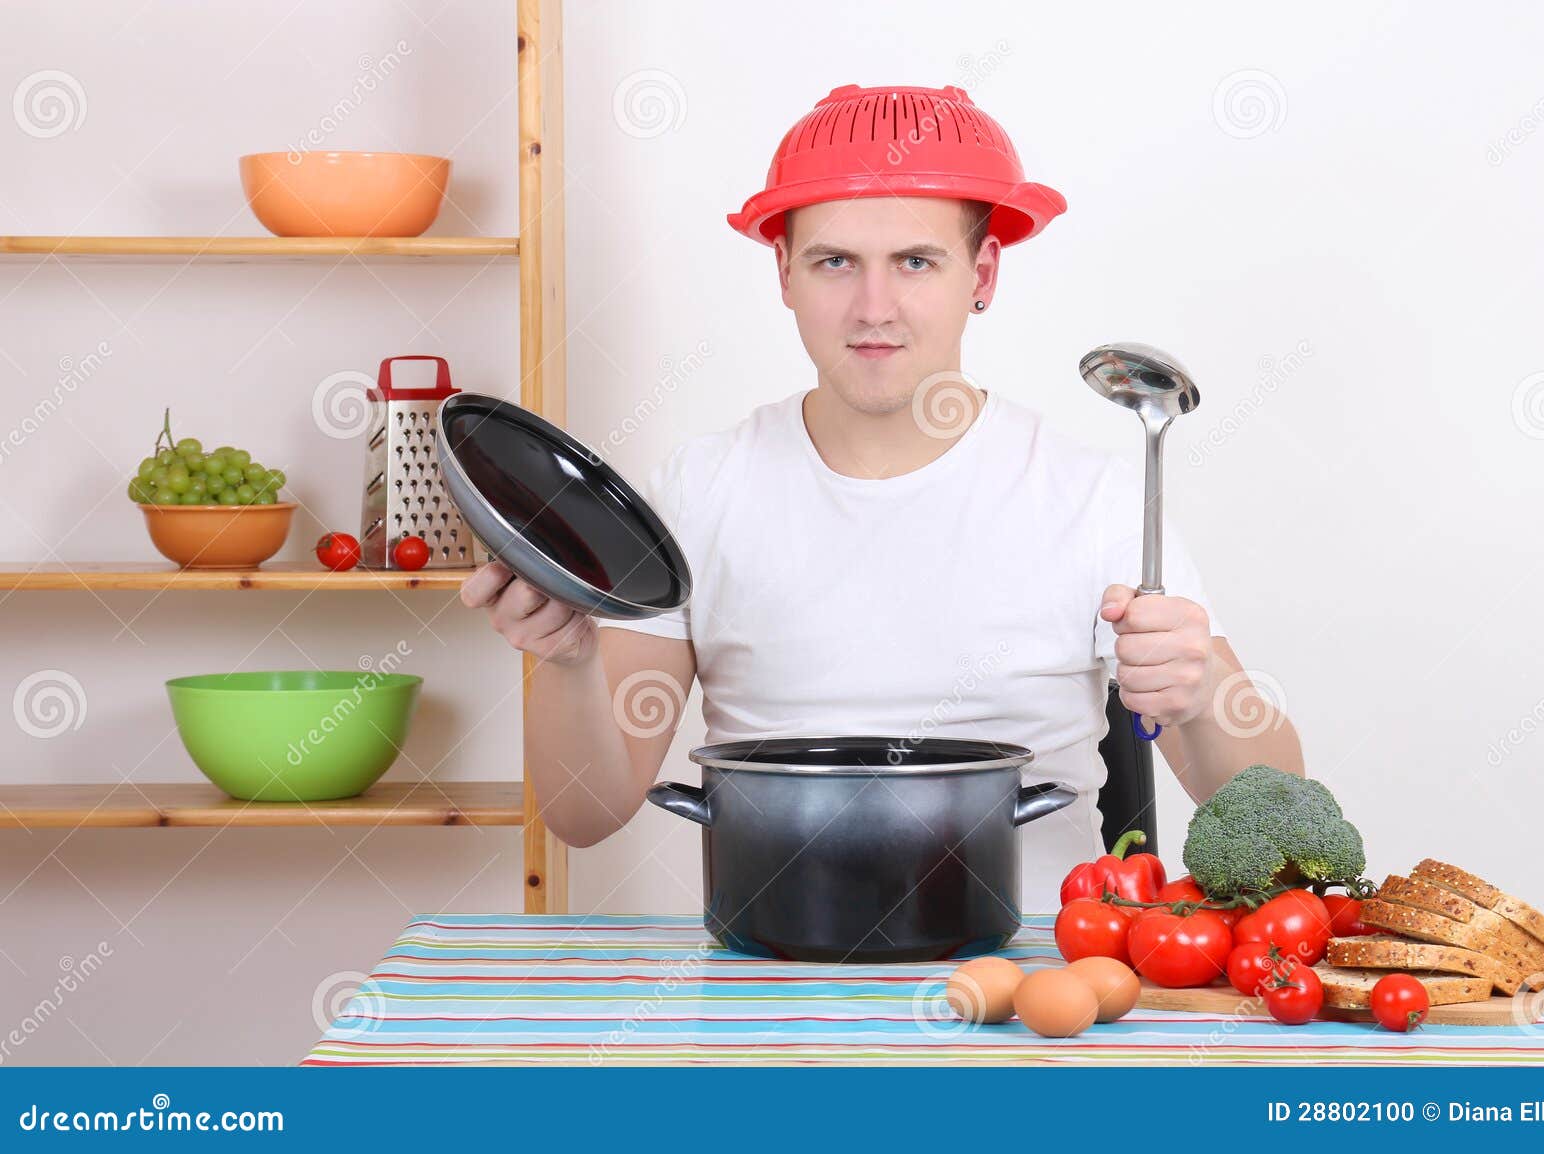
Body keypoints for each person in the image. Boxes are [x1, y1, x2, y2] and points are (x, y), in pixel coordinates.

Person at [460, 83, 1303, 912]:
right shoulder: (701, 490)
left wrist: (1194, 700)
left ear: (983, 271)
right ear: (784, 271)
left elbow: (1279, 816)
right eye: (835, 262)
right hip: (776, 971)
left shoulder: (1093, 497)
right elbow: (582, 814)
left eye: (915, 262)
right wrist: (566, 662)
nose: (874, 308)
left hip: (1040, 982)